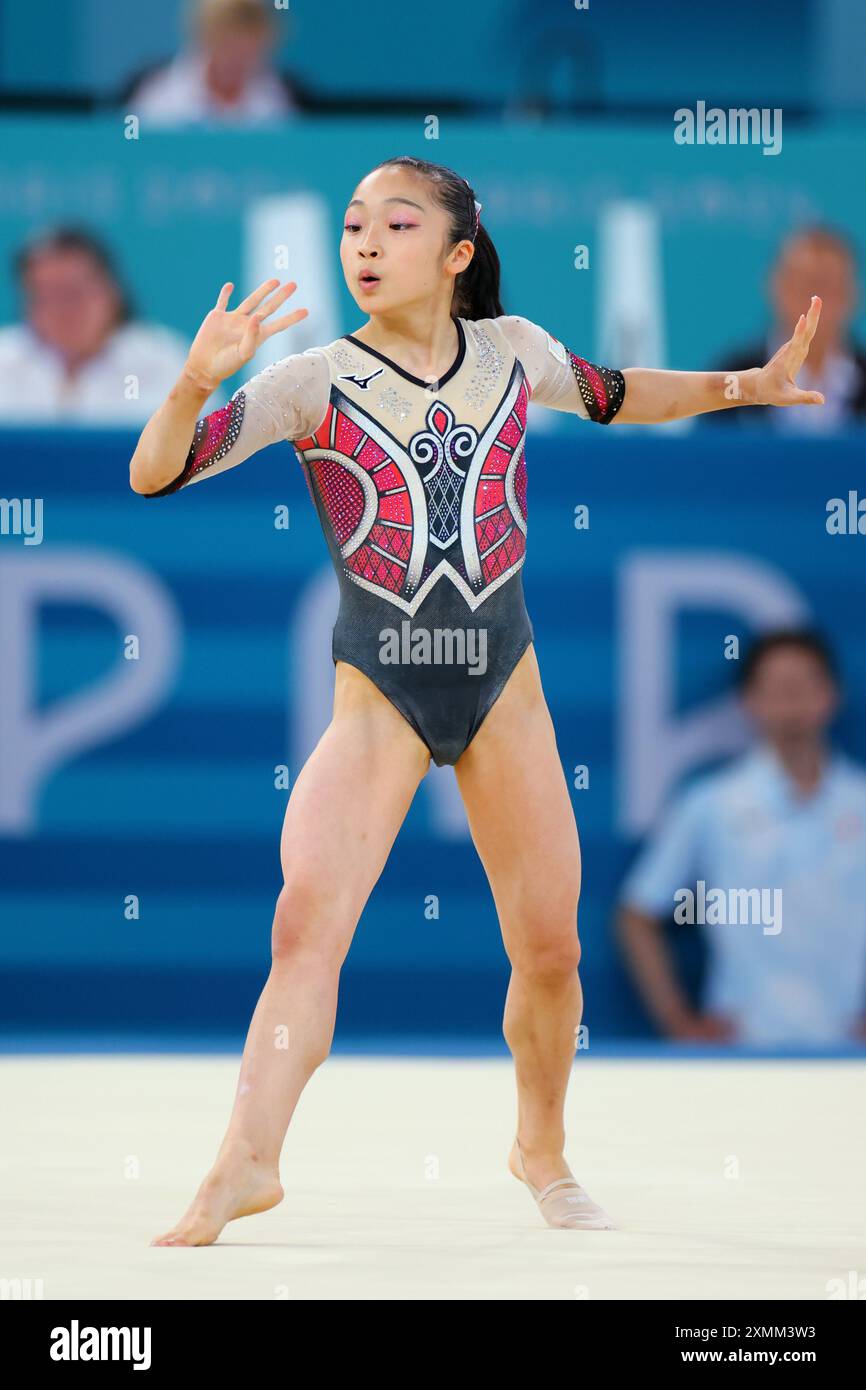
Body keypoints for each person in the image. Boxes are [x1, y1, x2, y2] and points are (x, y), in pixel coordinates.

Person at [129, 154, 825, 1246]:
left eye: (395, 226)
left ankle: (538, 1149)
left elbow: (615, 392)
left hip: (504, 686)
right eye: (353, 224)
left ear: (455, 255)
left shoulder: (512, 352)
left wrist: (742, 386)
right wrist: (190, 382)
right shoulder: (312, 379)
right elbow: (156, 474)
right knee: (305, 926)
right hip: (379, 693)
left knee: (549, 948)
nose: (364, 243)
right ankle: (242, 1162)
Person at [616, 630, 866, 1047]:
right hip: (741, 1054)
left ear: (831, 695)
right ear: (749, 700)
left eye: (803, 686)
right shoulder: (711, 804)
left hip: (850, 1053)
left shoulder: (860, 801)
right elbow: (637, 913)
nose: (792, 702)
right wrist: (679, 1022)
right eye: (777, 688)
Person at [0, 227, 196, 425]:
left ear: (112, 292)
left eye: (74, 292)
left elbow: (207, 447)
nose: (63, 310)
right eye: (47, 296)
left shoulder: (165, 361)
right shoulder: (4, 360)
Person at [704, 226, 866, 433]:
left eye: (830, 287)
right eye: (804, 285)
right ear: (777, 285)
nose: (815, 302)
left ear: (853, 293)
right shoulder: (734, 375)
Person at [128, 0, 302, 127]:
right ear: (205, 38)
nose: (237, 58)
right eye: (228, 44)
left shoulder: (278, 102)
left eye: (248, 49)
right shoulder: (160, 100)